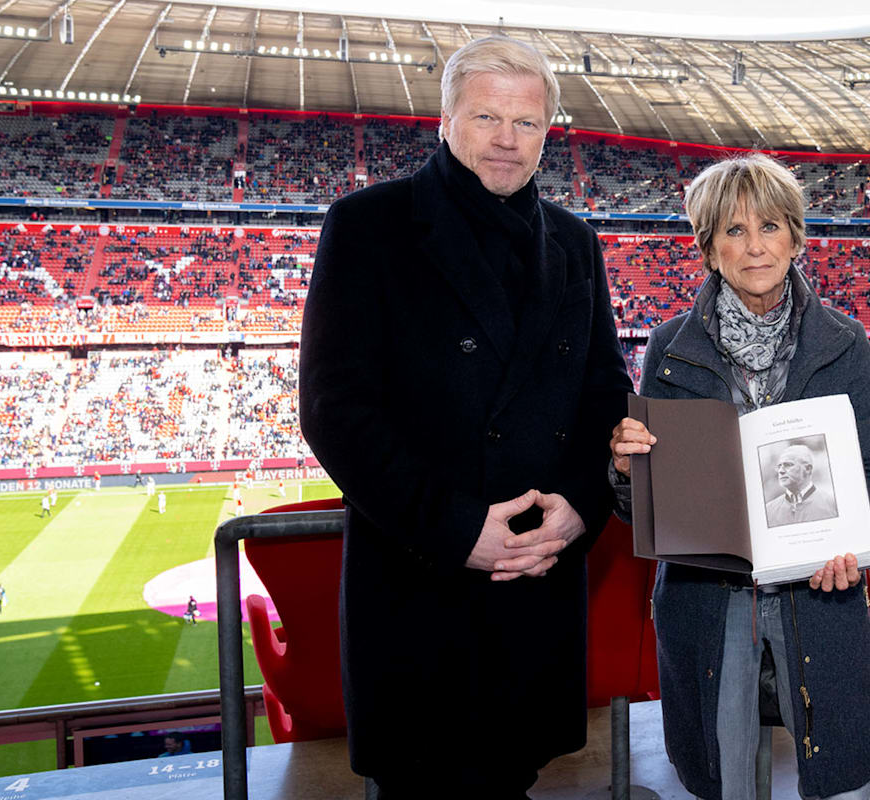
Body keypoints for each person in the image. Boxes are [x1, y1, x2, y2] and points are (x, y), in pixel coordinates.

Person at [299, 35, 632, 799]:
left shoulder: (577, 243)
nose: (508, 141)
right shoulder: (368, 225)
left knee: (514, 779)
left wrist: (580, 510)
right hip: (420, 596)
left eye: (528, 123)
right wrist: (458, 530)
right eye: (487, 117)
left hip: (537, 587)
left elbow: (604, 395)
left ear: (550, 130)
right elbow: (333, 408)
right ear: (445, 118)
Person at [609, 153, 870, 800]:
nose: (754, 246)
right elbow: (644, 505)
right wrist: (627, 469)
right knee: (720, 780)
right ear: (709, 249)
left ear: (796, 236)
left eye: (768, 226)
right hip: (710, 599)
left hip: (820, 593)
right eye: (732, 231)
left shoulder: (844, 343)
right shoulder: (669, 346)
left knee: (841, 780)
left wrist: (857, 532)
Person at [763, 443, 838, 527]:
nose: (781, 471)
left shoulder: (832, 504)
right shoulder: (769, 510)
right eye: (779, 466)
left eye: (788, 465)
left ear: (808, 469)